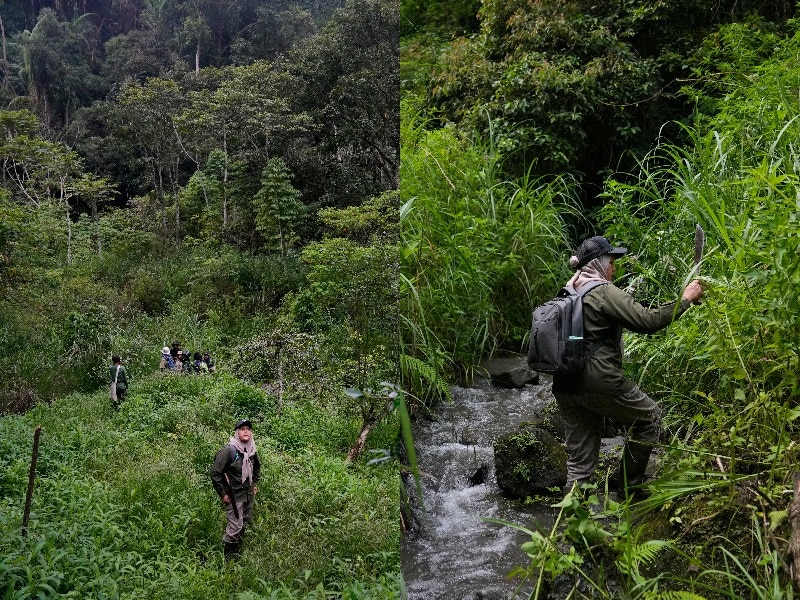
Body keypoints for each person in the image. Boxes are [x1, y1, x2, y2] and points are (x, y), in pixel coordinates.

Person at [552, 236, 703, 499]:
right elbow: (647, 320)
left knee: (579, 464)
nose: (614, 268)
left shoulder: (566, 292)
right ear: (599, 264)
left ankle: (572, 528)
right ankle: (627, 487)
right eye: (611, 261)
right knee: (650, 418)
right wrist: (686, 299)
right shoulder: (601, 291)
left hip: (565, 385)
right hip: (600, 381)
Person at [210, 419, 261, 558]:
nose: (246, 431)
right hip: (234, 495)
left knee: (245, 521)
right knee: (235, 527)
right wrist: (223, 493)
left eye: (248, 429)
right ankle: (229, 560)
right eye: (242, 429)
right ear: (237, 432)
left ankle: (238, 552)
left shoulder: (252, 450)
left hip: (248, 494)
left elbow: (256, 468)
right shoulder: (229, 451)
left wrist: (254, 484)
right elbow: (215, 472)